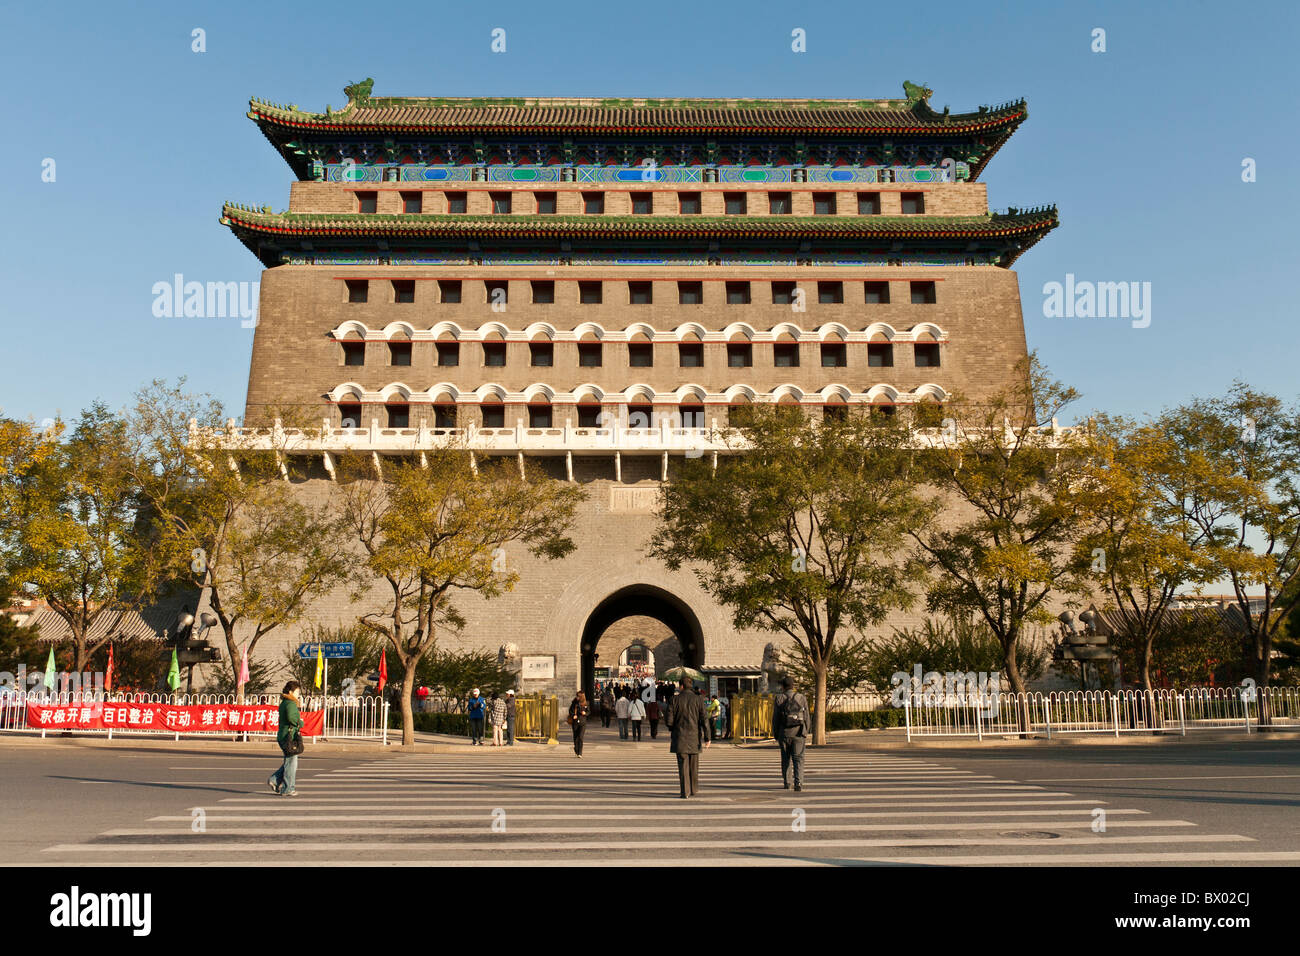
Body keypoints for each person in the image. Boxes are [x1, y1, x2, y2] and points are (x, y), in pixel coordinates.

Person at [666, 677, 709, 798]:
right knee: (694, 765)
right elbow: (704, 719)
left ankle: (685, 791)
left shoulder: (674, 700)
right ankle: (694, 789)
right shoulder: (699, 699)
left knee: (683, 764)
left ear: (681, 686)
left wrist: (672, 728)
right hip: (695, 737)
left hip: (680, 737)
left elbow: (669, 721)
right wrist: (707, 737)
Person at [771, 676, 811, 791]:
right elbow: (807, 716)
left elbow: (776, 718)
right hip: (798, 732)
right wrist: (805, 731)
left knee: (785, 758)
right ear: (793, 686)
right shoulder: (801, 698)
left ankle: (787, 782)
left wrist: (776, 733)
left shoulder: (779, 698)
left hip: (784, 733)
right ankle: (798, 783)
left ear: (782, 686)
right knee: (798, 758)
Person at [267, 680, 304, 797]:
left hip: (283, 735)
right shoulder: (291, 703)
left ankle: (275, 779)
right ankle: (288, 788)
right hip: (288, 736)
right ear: (290, 692)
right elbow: (291, 717)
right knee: (291, 763)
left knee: (290, 762)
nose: (298, 694)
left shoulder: (284, 702)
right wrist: (300, 722)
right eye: (297, 691)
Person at [568, 691, 589, 757]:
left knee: (580, 737)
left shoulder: (586, 703)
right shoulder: (574, 703)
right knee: (575, 737)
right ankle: (576, 749)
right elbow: (570, 710)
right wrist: (573, 715)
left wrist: (585, 713)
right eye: (577, 696)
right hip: (575, 722)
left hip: (583, 722)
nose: (577, 697)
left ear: (581, 697)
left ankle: (580, 753)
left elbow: (589, 711)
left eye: (578, 696)